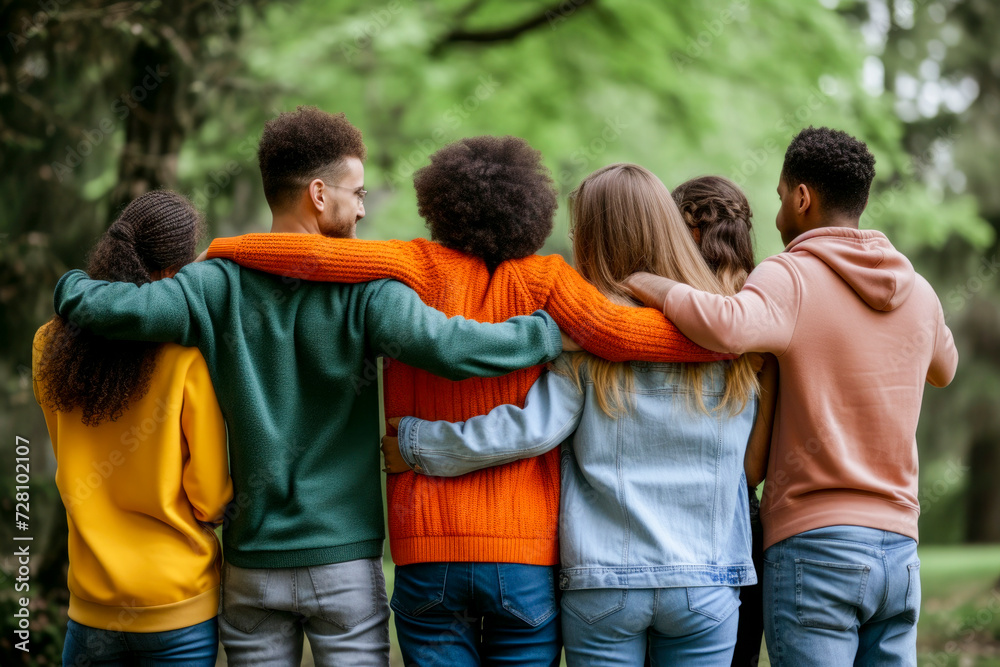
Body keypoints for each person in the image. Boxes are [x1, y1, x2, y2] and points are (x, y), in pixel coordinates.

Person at [51, 108, 568, 667]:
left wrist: (69, 282)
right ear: (319, 195)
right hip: (343, 564)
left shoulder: (212, 284)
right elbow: (451, 347)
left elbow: (111, 308)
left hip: (252, 564)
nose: (363, 208)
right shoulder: (366, 288)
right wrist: (548, 332)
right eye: (358, 193)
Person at [200, 139, 731, 666]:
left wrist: (228, 248)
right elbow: (624, 333)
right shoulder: (550, 280)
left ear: (439, 205)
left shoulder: (412, 265)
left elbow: (315, 255)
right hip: (523, 553)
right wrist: (728, 340)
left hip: (427, 548)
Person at [378, 163, 773, 666]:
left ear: (592, 240)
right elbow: (751, 458)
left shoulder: (587, 337)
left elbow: (528, 430)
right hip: (706, 577)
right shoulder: (733, 333)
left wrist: (419, 444)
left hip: (603, 581)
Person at [625, 127, 959, 666]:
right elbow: (945, 368)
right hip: (900, 549)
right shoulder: (918, 290)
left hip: (815, 545)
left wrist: (650, 283)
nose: (779, 216)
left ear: (802, 198)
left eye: (781, 198)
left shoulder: (791, 274)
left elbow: (726, 327)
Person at [33, 191, 232, 666]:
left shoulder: (47, 344)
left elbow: (66, 449)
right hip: (178, 606)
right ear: (171, 272)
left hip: (92, 603)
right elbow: (209, 498)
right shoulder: (186, 354)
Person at [670, 175, 775, 667]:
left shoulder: (660, 309)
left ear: (689, 230)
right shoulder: (767, 315)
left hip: (655, 529)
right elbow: (752, 469)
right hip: (736, 533)